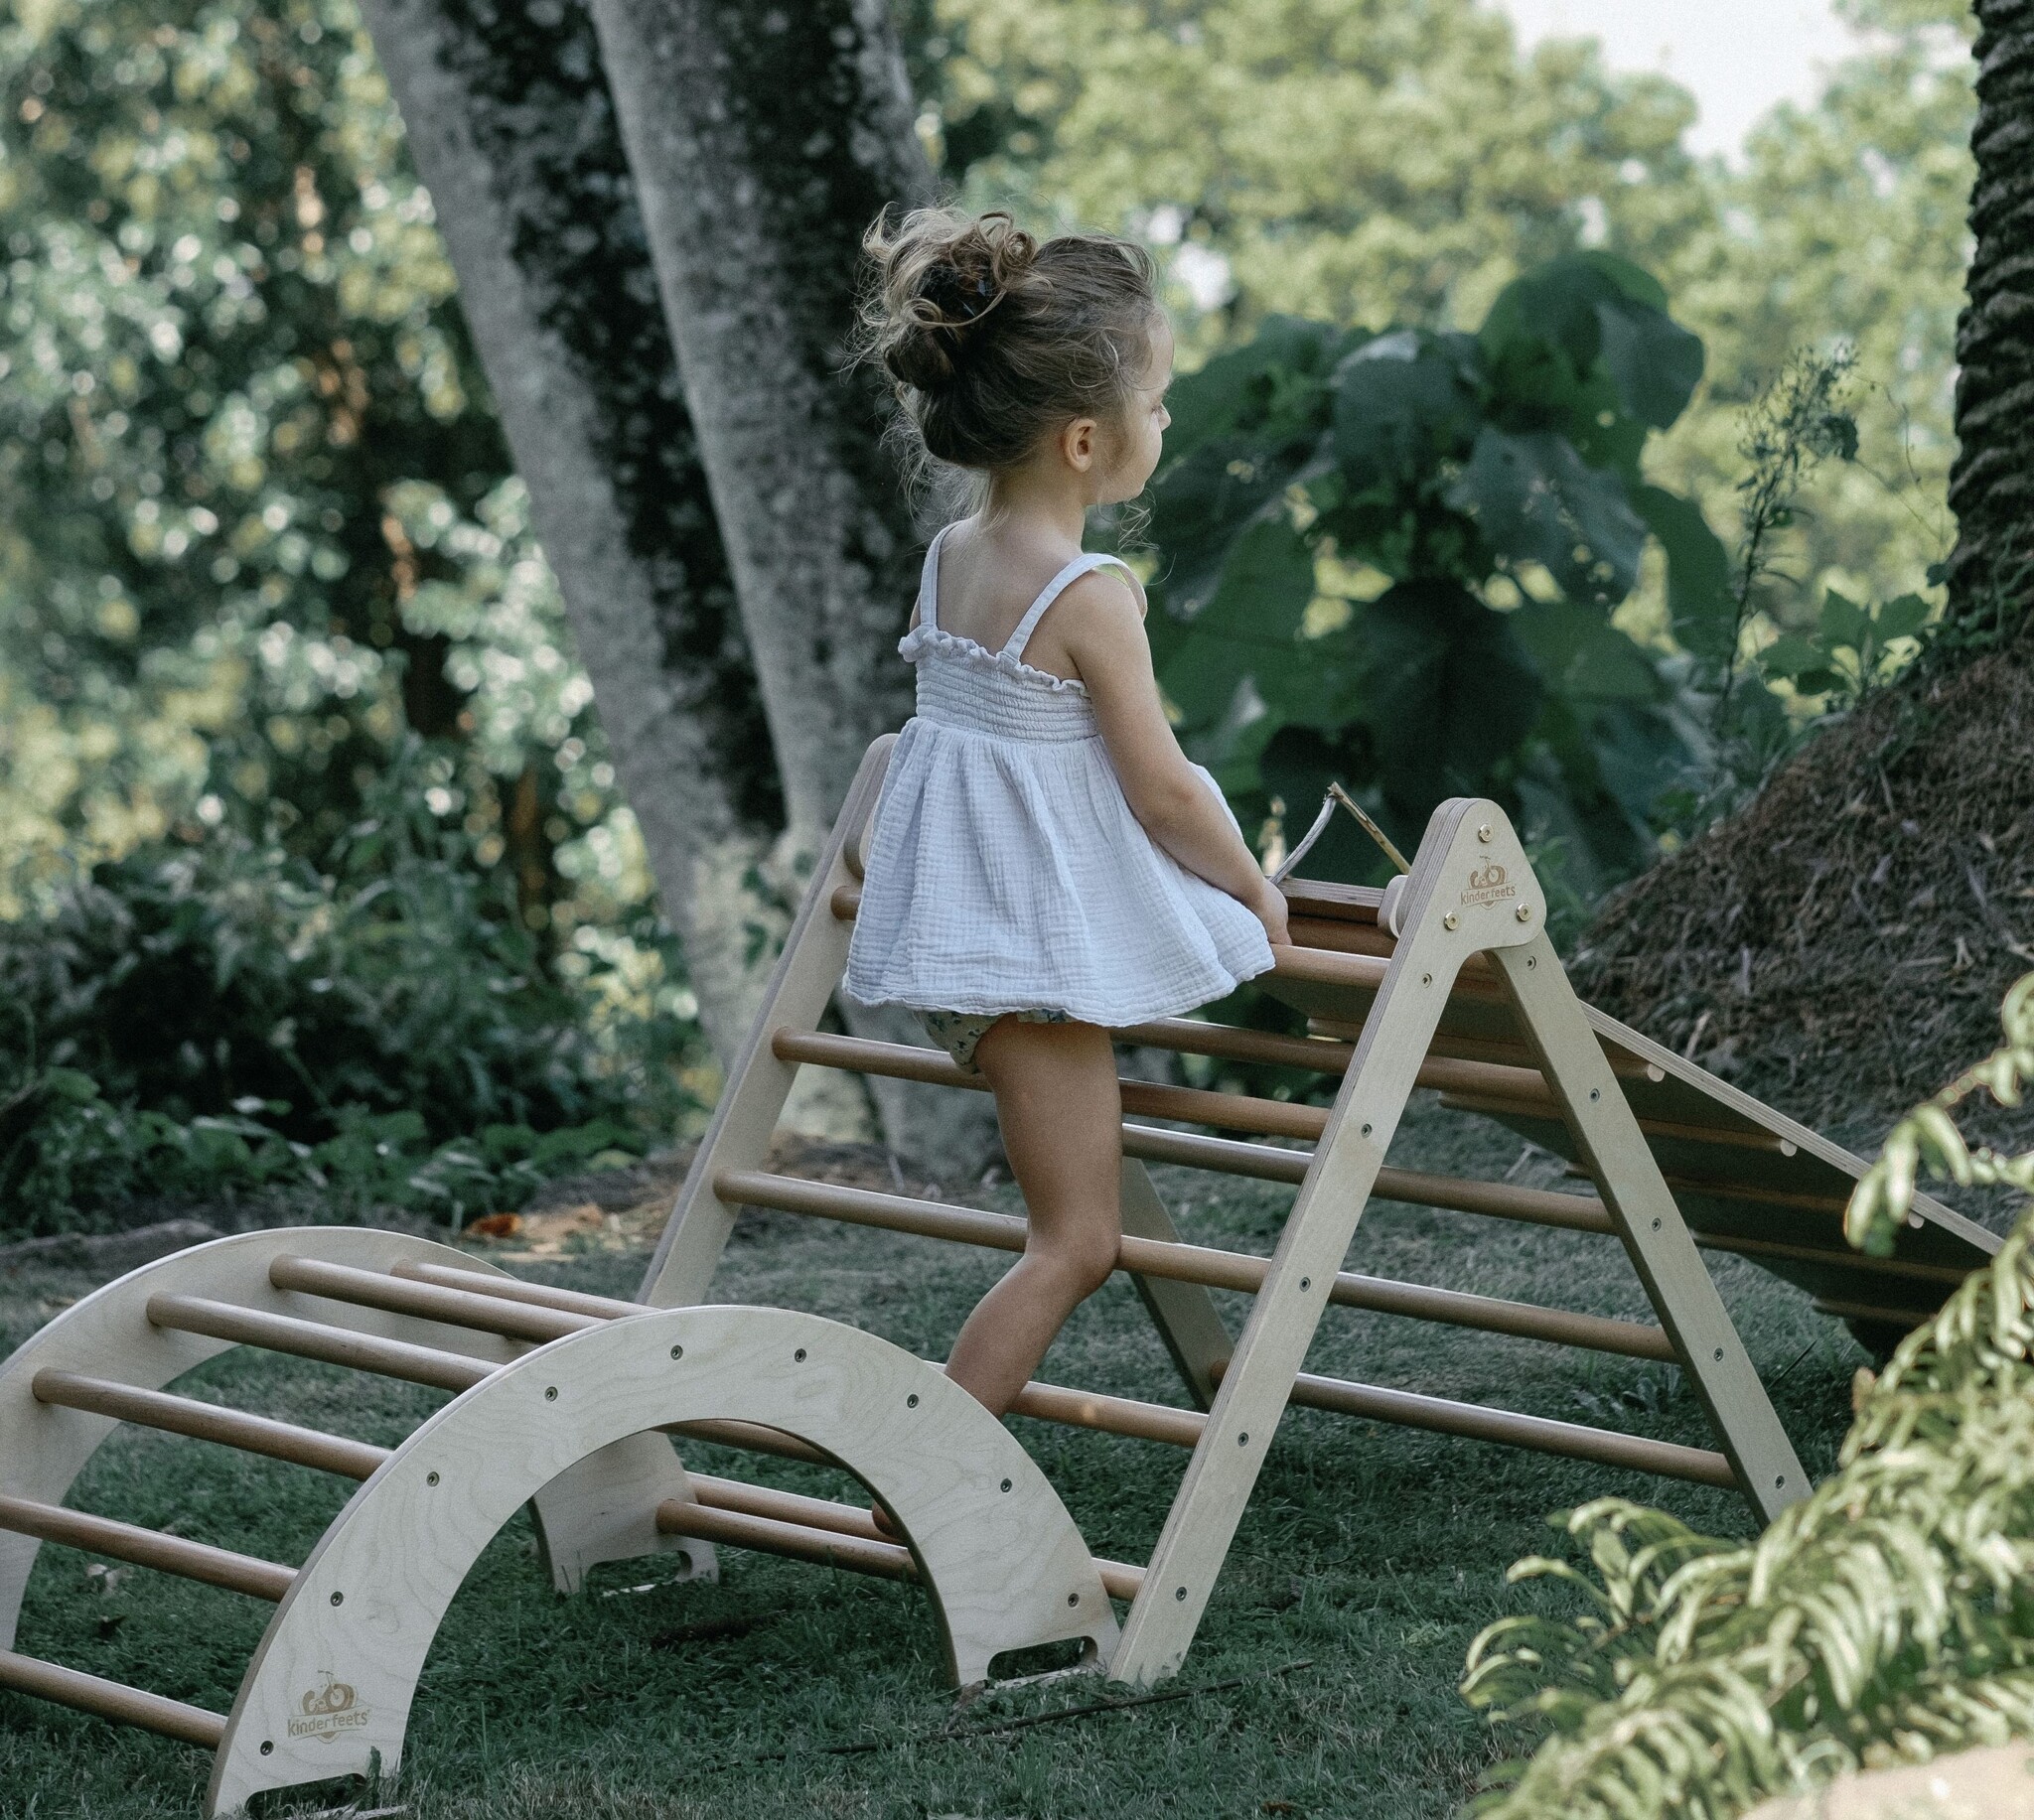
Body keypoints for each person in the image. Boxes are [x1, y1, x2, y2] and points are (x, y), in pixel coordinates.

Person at [845, 207, 1287, 1423]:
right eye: (1156, 403)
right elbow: (1161, 788)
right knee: (1075, 1242)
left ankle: (922, 1470)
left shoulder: (951, 556)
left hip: (969, 945)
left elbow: (997, 756)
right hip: (1019, 965)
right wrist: (1251, 883)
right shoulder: (1088, 594)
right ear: (1086, 440)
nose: (1166, 422)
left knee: (1073, 1227)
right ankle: (923, 1475)